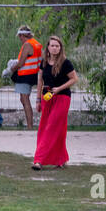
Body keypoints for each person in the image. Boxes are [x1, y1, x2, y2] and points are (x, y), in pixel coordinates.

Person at [32, 35, 78, 170]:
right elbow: (40, 81)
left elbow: (74, 79)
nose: (54, 48)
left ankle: (39, 160)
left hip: (62, 97)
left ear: (60, 48)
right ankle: (61, 159)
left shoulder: (66, 63)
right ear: (48, 47)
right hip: (47, 96)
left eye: (57, 46)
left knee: (51, 127)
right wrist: (38, 99)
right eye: (52, 45)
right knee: (50, 127)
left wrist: (59, 89)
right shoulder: (44, 62)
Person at [3, 25, 43, 129]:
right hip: (34, 74)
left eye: (20, 36)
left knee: (25, 100)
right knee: (24, 99)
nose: (20, 39)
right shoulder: (36, 44)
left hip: (25, 75)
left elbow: (21, 63)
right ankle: (30, 125)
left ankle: (30, 126)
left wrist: (10, 70)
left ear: (22, 35)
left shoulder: (27, 45)